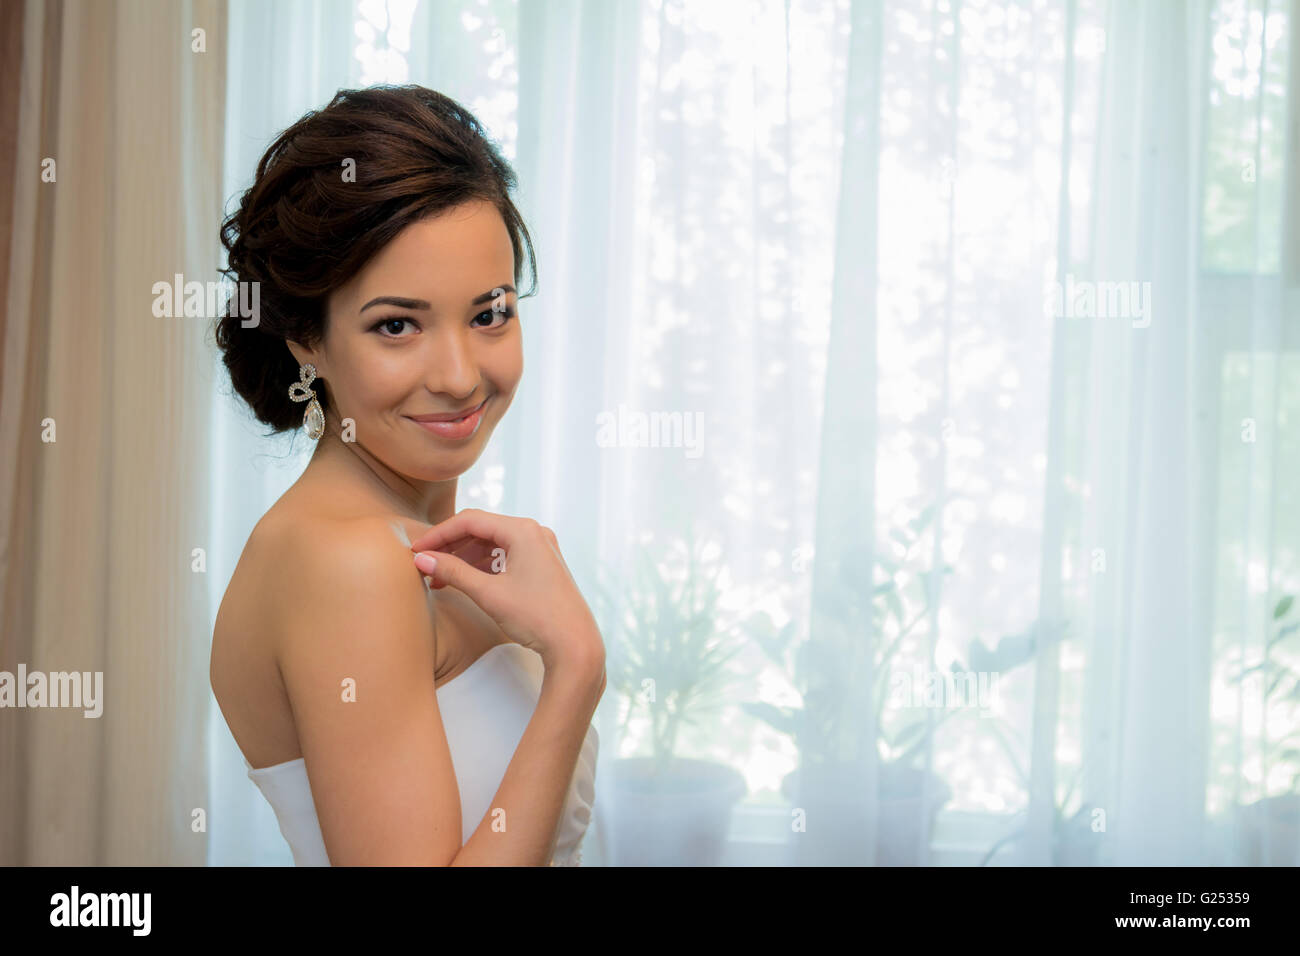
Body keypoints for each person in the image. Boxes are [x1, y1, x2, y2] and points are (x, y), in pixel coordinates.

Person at [209, 85, 604, 866]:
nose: (459, 376)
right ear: (305, 338)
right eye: (397, 325)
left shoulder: (414, 548)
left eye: (489, 312)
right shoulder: (347, 564)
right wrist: (576, 670)